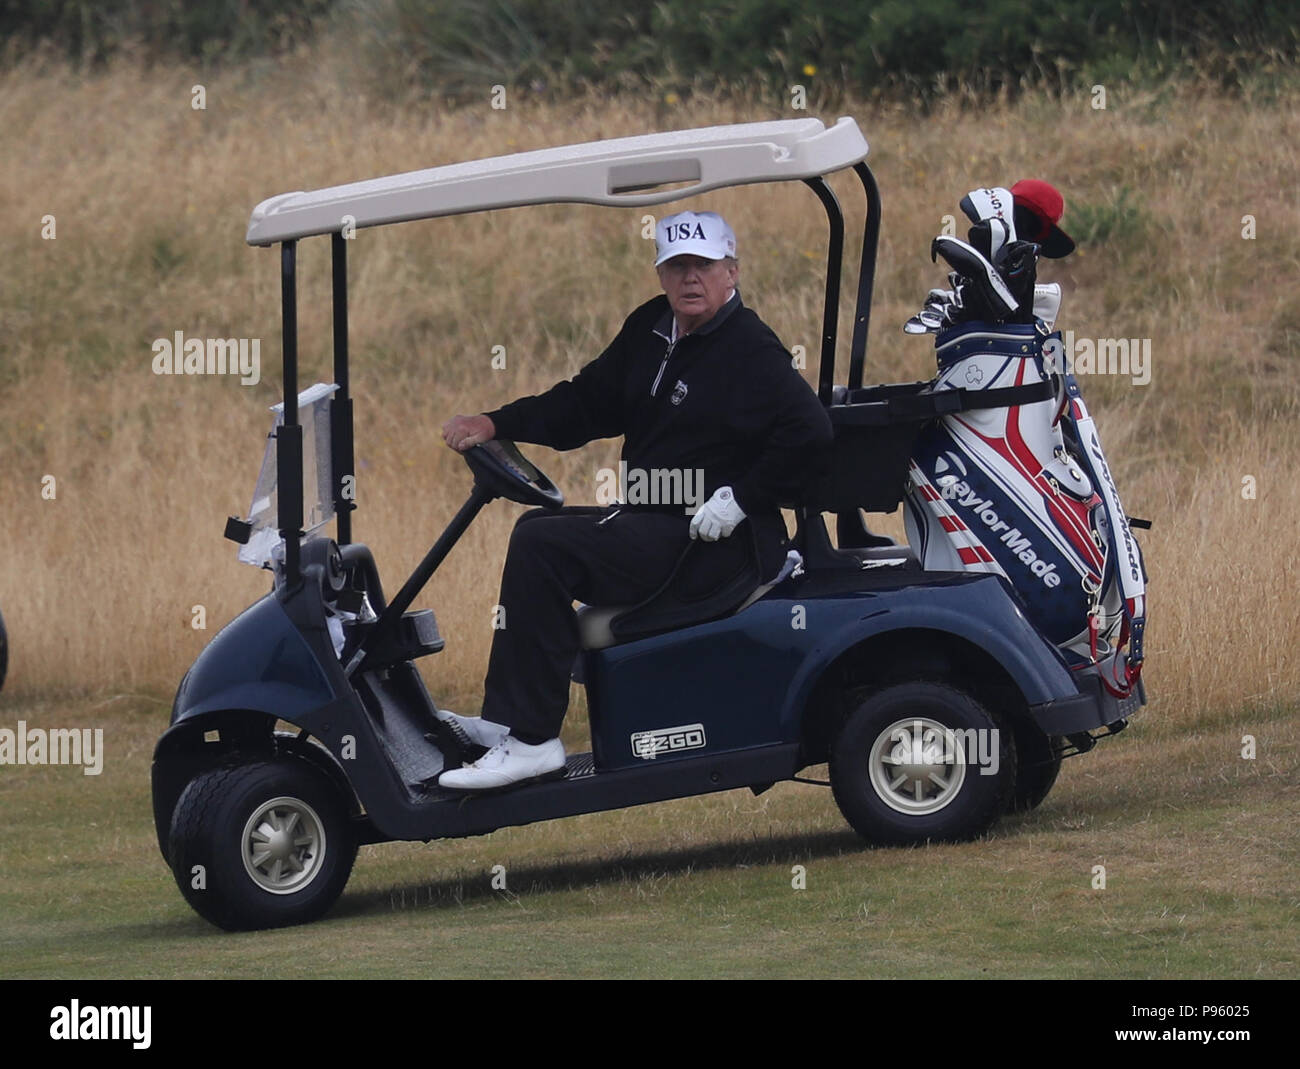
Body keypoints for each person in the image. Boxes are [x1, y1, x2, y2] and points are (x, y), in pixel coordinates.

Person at [437, 209, 832, 791]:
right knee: (544, 537)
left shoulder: (751, 348)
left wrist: (741, 499)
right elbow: (586, 404)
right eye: (677, 266)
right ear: (661, 274)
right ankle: (510, 725)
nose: (689, 278)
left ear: (732, 272)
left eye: (703, 265)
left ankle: (533, 743)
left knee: (540, 542)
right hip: (654, 523)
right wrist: (497, 422)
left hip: (713, 546)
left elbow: (812, 432)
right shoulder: (653, 327)